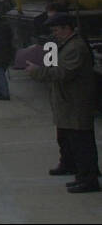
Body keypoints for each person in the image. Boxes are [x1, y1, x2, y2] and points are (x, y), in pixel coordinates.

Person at [26, 12, 99, 192]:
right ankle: (81, 176)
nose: (55, 34)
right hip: (70, 102)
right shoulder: (67, 45)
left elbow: (63, 73)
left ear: (67, 28)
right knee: (75, 143)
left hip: (77, 102)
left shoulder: (75, 47)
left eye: (57, 30)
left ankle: (89, 180)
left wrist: (37, 71)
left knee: (83, 145)